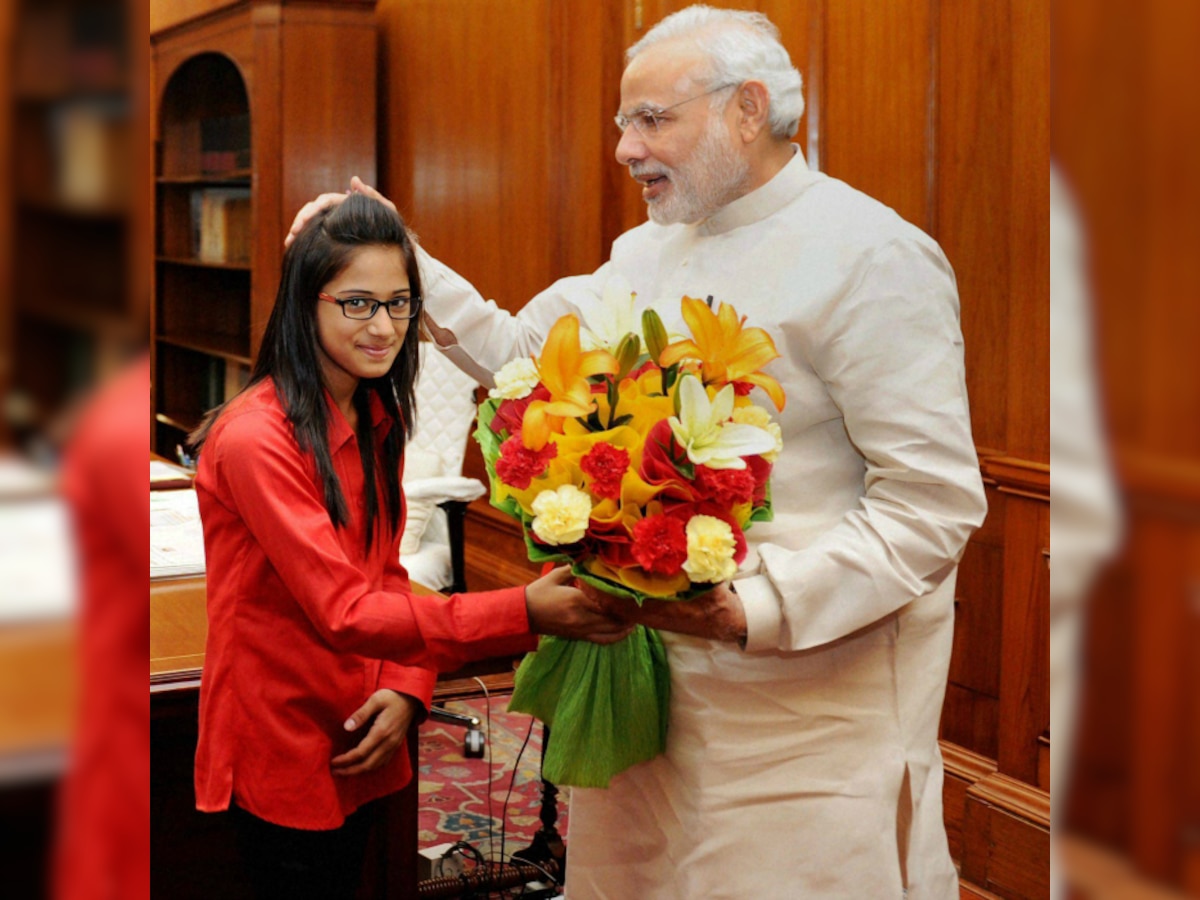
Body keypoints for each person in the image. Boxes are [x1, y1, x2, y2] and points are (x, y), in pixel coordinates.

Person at [290, 6, 987, 897]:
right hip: (649, 689)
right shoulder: (647, 253)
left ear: (747, 108)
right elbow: (520, 358)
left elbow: (933, 504)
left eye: (651, 118)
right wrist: (405, 258)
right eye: (625, 121)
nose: (624, 147)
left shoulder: (874, 257)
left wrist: (755, 609)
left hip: (804, 707)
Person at [189, 193, 628, 900]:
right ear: (308, 302)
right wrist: (526, 612)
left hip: (365, 719)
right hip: (284, 733)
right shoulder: (255, 439)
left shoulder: (373, 410)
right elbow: (345, 610)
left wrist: (406, 684)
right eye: (357, 303)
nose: (385, 325)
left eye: (400, 304)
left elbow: (384, 572)